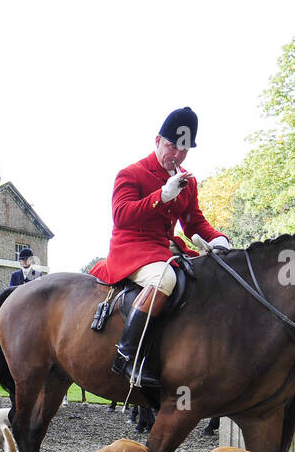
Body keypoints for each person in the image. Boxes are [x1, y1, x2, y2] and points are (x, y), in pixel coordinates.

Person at [90, 106, 229, 389]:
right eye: (171, 146)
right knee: (164, 279)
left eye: (184, 150)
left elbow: (193, 224)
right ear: (157, 141)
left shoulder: (188, 182)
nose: (177, 155)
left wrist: (218, 239)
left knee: (210, 276)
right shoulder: (131, 173)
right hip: (131, 248)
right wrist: (162, 195)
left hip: (164, 250)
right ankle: (125, 356)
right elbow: (122, 215)